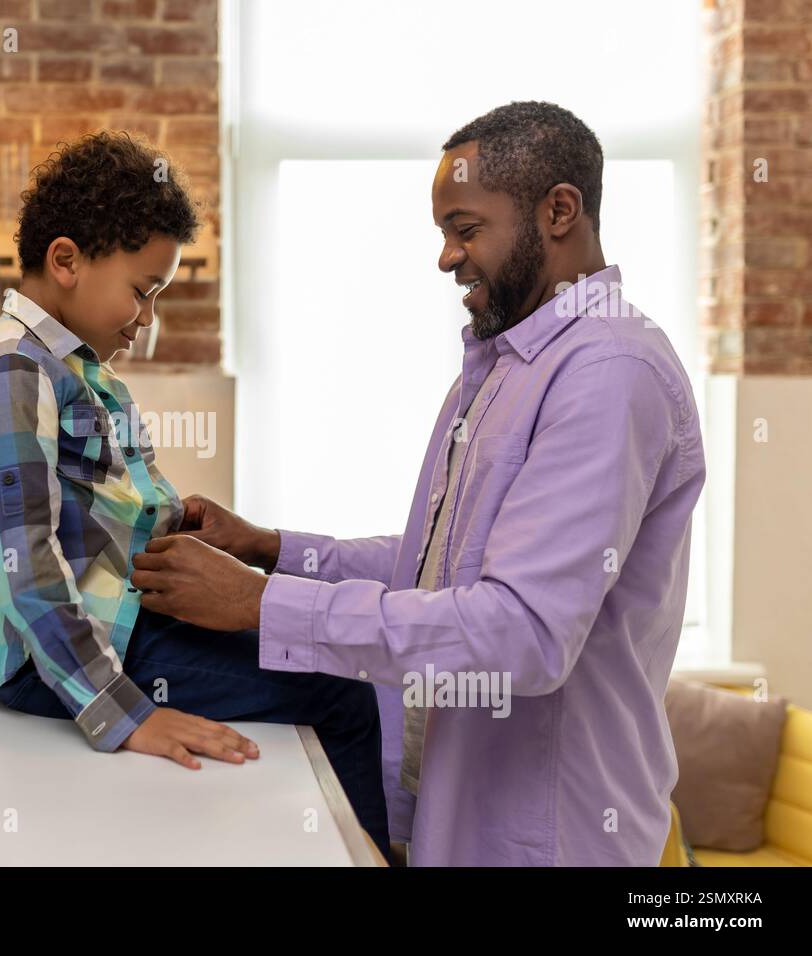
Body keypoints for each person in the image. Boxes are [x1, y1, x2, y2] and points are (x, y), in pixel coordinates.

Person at [132, 102, 706, 866]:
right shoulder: (503, 368)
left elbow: (523, 631)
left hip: (551, 836)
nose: (447, 258)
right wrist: (270, 549)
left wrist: (259, 604)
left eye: (465, 230)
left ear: (559, 211)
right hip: (460, 815)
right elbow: (448, 569)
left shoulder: (608, 374)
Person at [0, 131, 390, 859]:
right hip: (59, 665)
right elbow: (23, 562)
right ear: (66, 261)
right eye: (142, 292)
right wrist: (125, 715)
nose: (147, 319)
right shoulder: (11, 370)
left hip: (121, 622)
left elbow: (94, 506)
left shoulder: (68, 365)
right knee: (341, 693)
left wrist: (171, 524)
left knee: (314, 655)